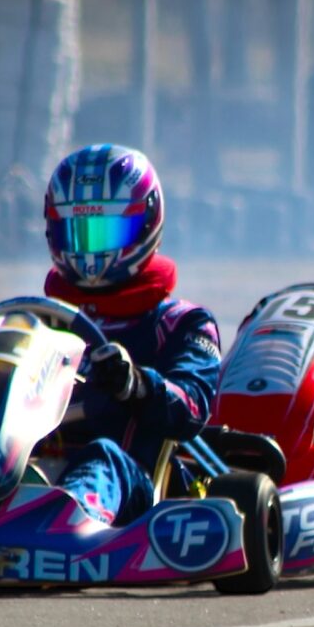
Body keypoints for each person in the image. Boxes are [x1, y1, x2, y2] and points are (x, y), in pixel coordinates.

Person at [42, 144, 221, 526]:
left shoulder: (181, 323)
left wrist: (137, 384)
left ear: (145, 223)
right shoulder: (38, 321)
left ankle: (65, 520)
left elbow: (193, 407)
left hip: (134, 480)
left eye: (105, 232)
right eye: (77, 233)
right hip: (28, 466)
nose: (89, 252)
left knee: (102, 455)